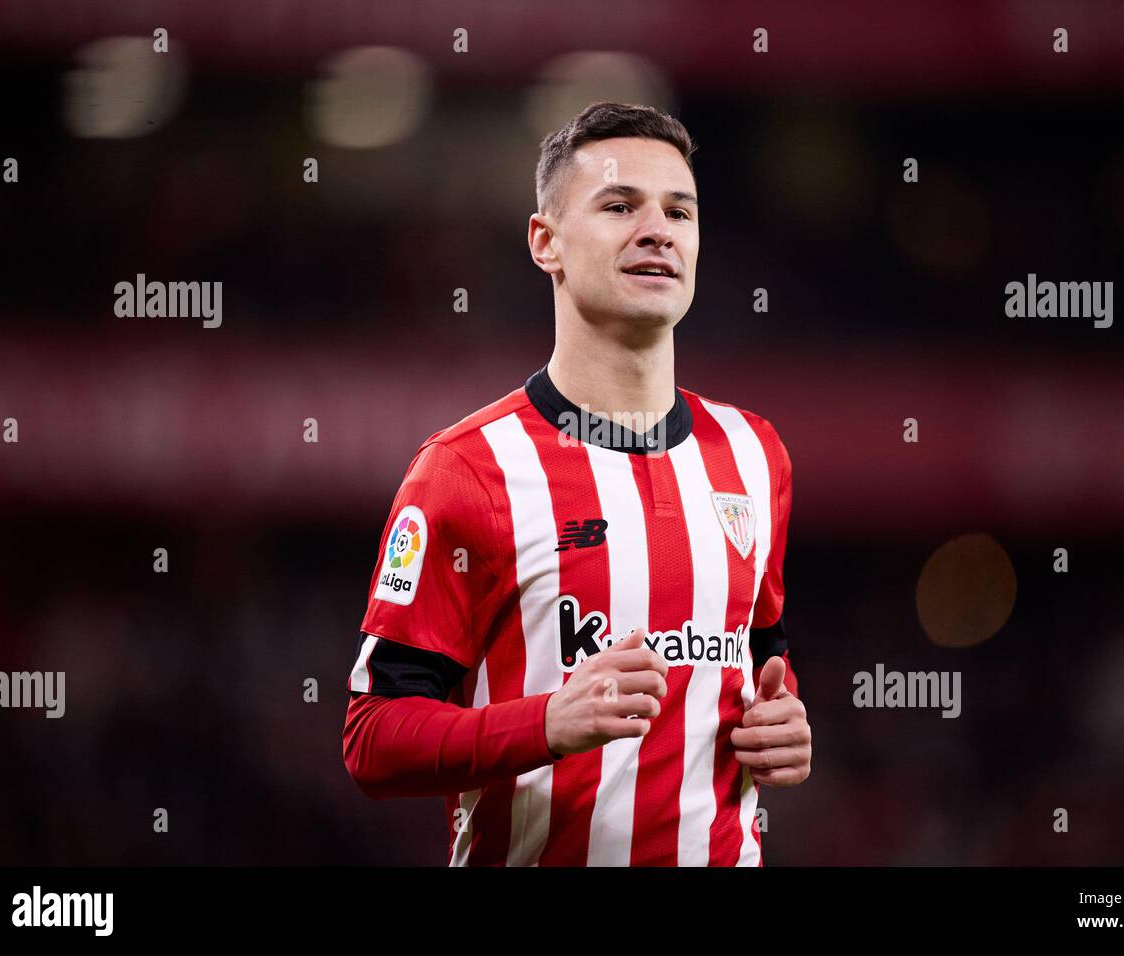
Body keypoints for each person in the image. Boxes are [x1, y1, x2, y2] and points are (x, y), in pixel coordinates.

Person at [343, 101, 810, 866]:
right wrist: (548, 721)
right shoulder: (469, 469)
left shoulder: (756, 455)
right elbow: (373, 739)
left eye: (679, 212)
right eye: (620, 205)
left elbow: (762, 664)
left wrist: (783, 726)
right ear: (546, 242)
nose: (657, 228)